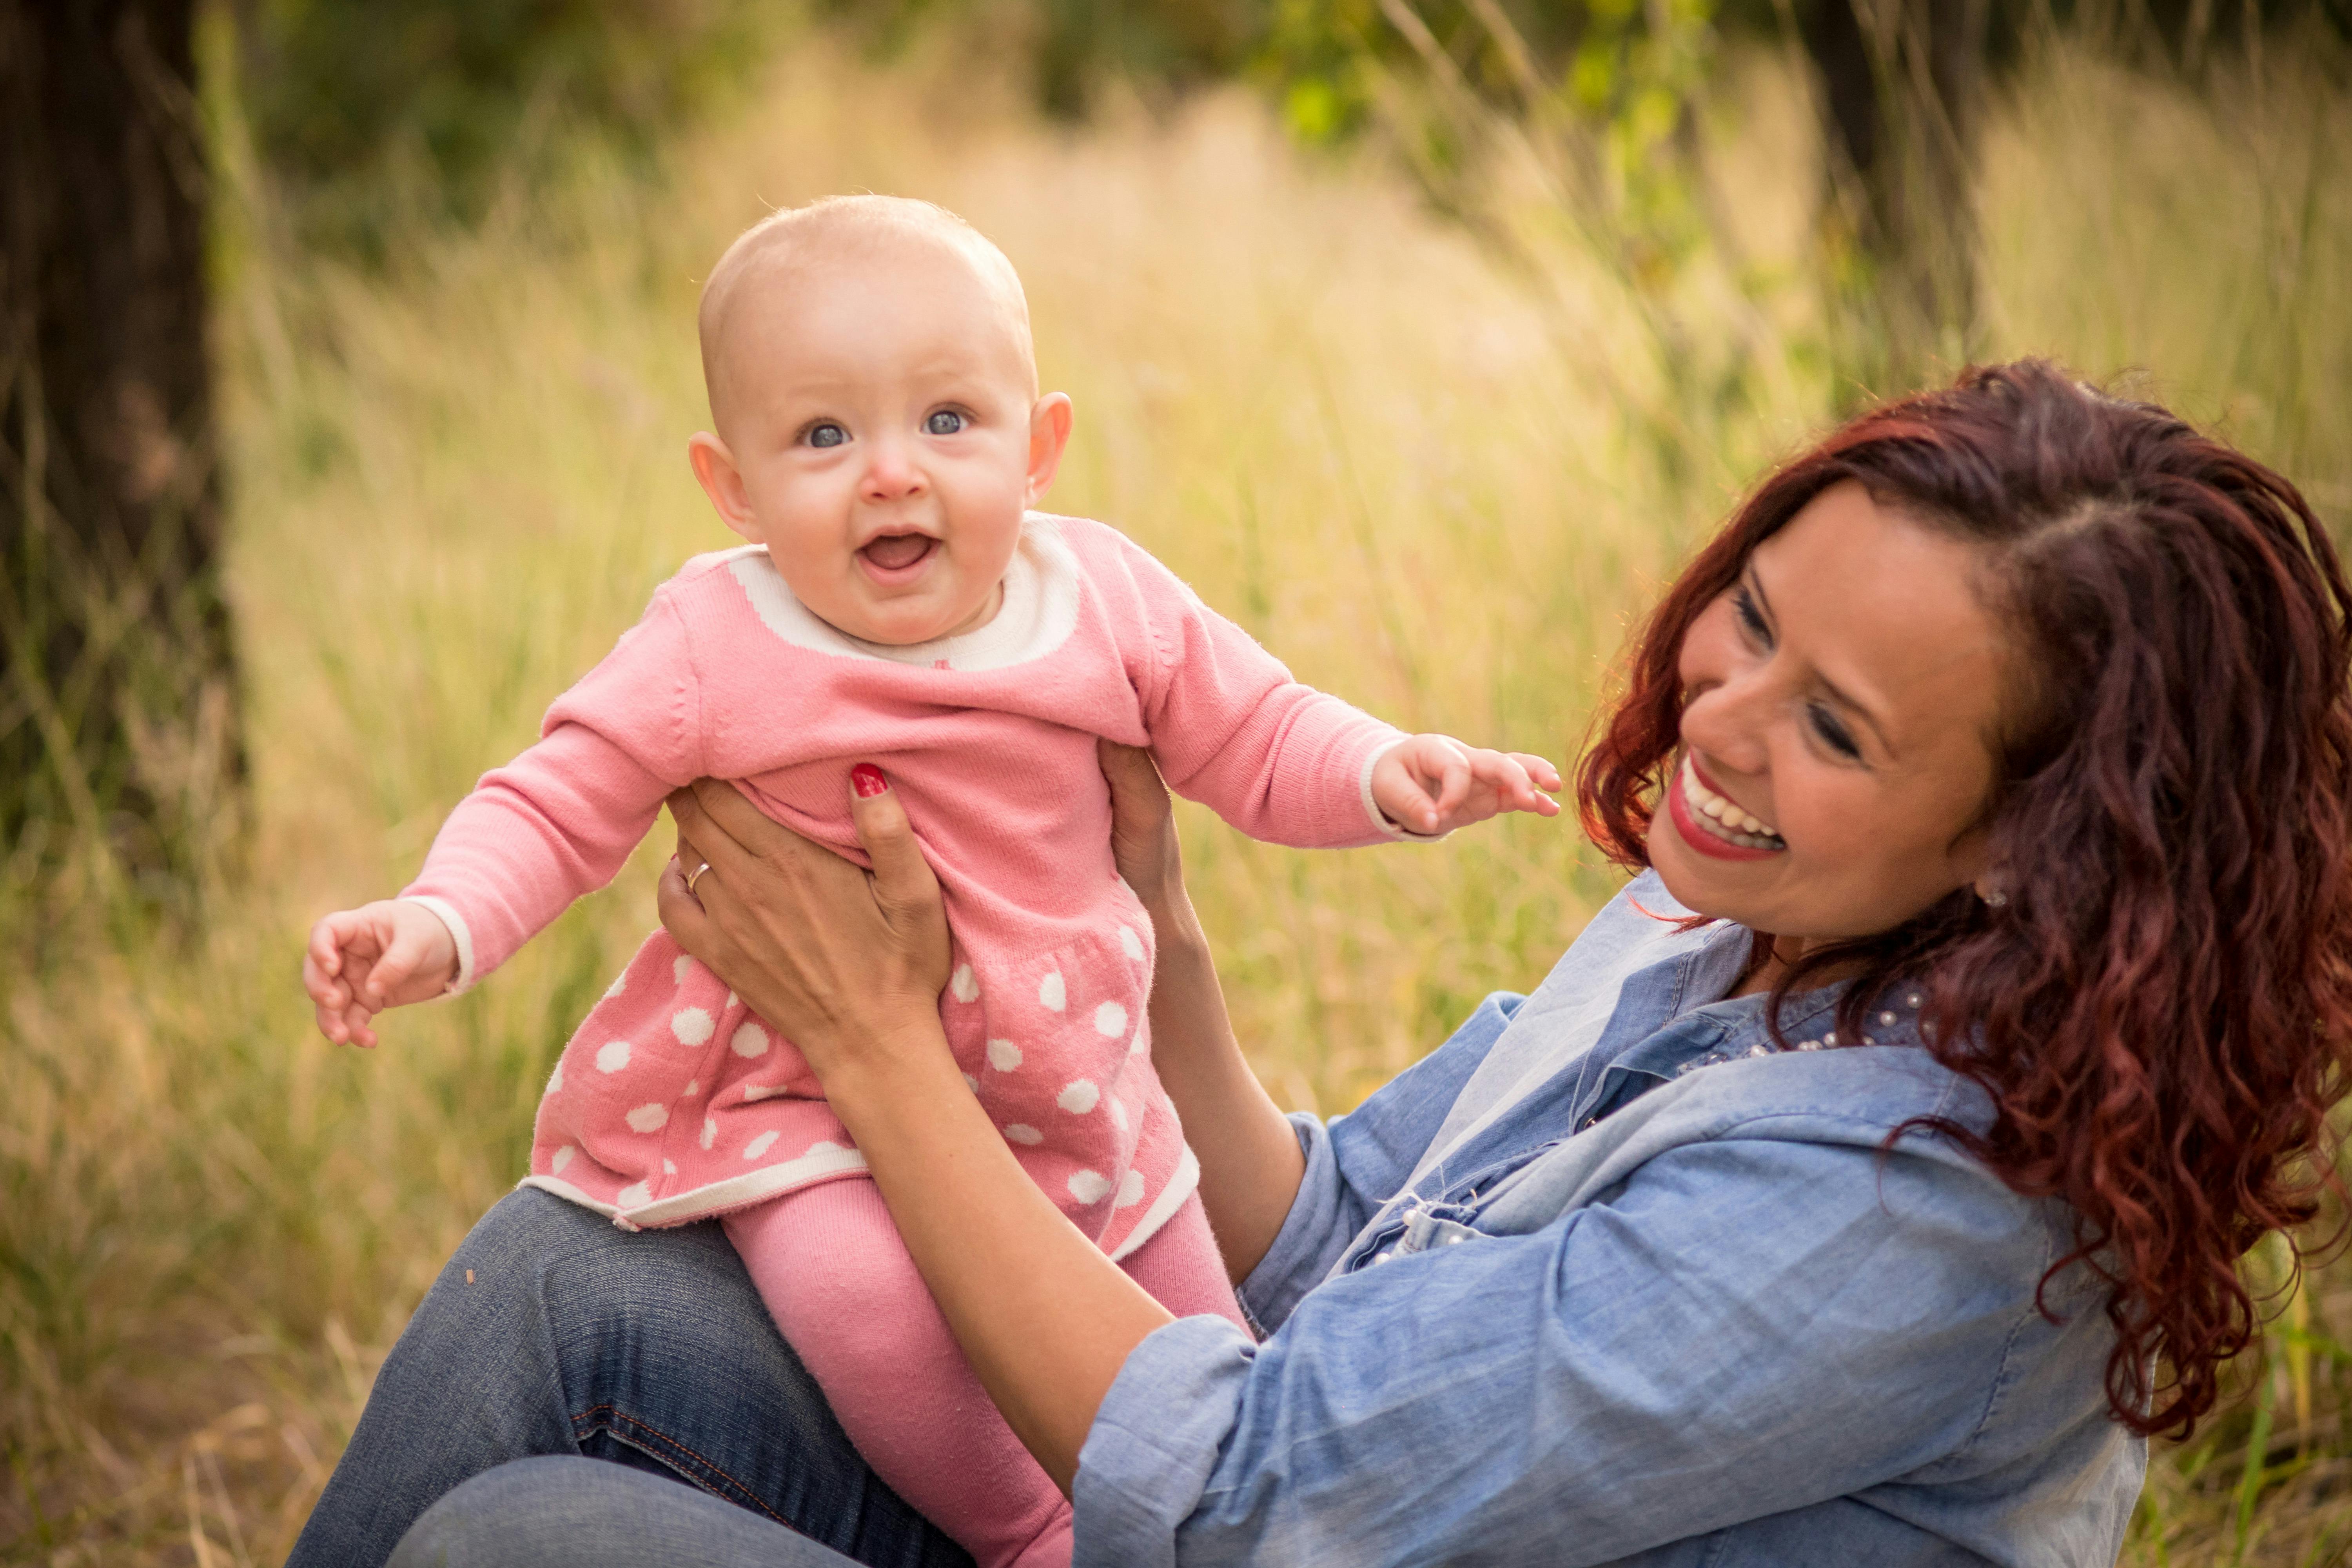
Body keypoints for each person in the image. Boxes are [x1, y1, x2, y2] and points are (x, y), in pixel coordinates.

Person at [290, 361, 2352, 1568]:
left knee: (528, 1548)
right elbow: (1328, 1243)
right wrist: (1153, 913)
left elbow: (1251, 1492)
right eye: (1755, 612)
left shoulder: (1908, 1209)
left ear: (2034, 845)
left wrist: (879, 1051)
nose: (1722, 716)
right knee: (580, 1277)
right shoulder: (1740, 933)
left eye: (1837, 727)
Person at [296, 193, 1559, 1568]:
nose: (891, 473)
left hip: (1085, 1093)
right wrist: (440, 921)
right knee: (867, 1306)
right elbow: (557, 801)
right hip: (815, 1115)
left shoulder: (1103, 598)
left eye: (948, 422)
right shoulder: (717, 639)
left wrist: (1386, 775)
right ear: (734, 488)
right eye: (825, 436)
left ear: (1041, 449)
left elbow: (1258, 730)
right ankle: (1027, 1536)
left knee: (1206, 1360)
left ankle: (1190, 1535)